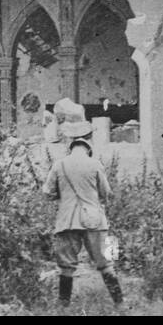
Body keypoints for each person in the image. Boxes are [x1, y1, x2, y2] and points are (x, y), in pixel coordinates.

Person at [42, 126, 124, 307]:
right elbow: (106, 193)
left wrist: (63, 197)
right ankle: (120, 304)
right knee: (105, 263)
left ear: (71, 146)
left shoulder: (59, 164)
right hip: (94, 219)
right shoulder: (95, 164)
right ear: (88, 147)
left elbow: (47, 192)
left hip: (67, 220)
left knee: (66, 266)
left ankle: (64, 306)